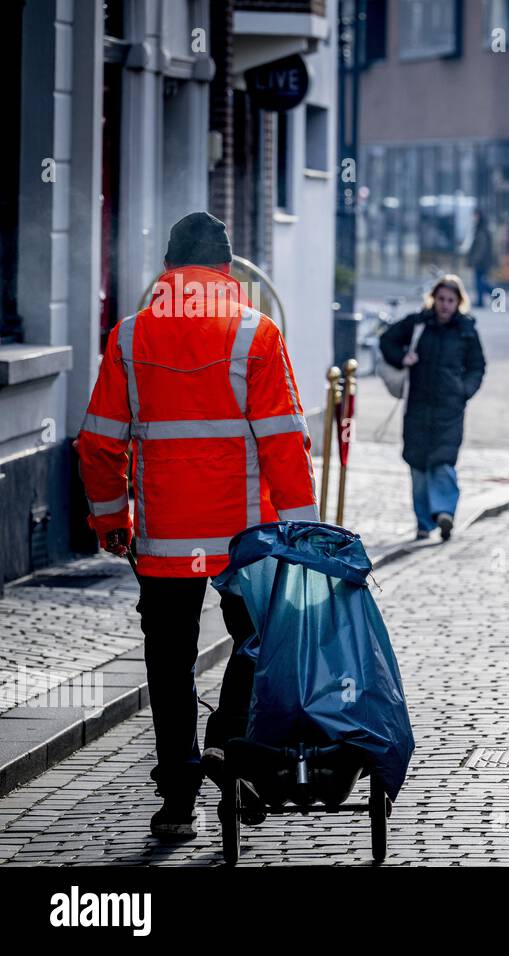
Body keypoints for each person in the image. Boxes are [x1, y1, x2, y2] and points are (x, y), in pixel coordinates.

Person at [76, 212, 318, 841]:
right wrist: (301, 530)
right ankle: (229, 745)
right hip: (245, 537)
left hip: (163, 537)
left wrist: (112, 520)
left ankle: (177, 798)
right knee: (257, 639)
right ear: (227, 270)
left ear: (168, 270)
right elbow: (284, 443)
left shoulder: (129, 338)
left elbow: (99, 443)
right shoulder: (256, 334)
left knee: (168, 660)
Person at [379, 274, 486, 542]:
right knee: (417, 464)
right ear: (433, 299)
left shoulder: (466, 330)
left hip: (450, 409)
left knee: (443, 461)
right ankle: (424, 522)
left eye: (450, 300)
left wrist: (464, 391)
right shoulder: (417, 324)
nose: (445, 305)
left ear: (459, 302)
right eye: (441, 299)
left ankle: (444, 513)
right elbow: (387, 341)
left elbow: (477, 367)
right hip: (417, 406)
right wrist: (403, 357)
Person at [465, 210, 494, 308]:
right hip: (482, 261)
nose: (474, 218)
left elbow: (480, 249)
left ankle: (494, 294)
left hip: (482, 262)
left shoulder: (482, 230)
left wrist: (474, 261)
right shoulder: (480, 229)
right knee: (479, 281)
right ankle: (481, 301)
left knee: (480, 282)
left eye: (476, 216)